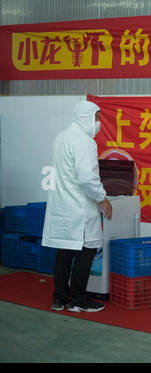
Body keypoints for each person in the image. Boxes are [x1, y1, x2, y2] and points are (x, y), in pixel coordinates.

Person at [42, 101, 112, 313]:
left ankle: (60, 298)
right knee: (88, 249)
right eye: (97, 117)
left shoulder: (61, 137)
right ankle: (78, 300)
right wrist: (103, 199)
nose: (99, 122)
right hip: (80, 207)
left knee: (65, 251)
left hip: (63, 204)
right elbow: (87, 178)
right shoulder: (84, 142)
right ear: (86, 117)